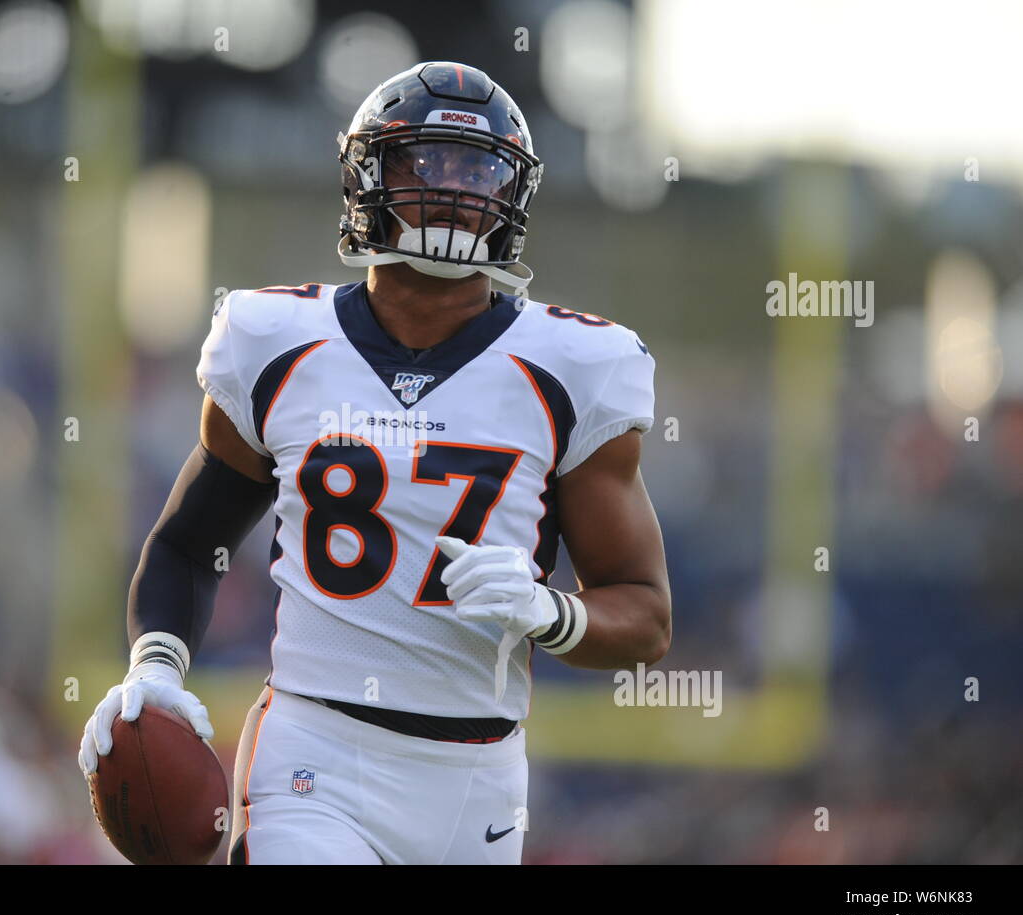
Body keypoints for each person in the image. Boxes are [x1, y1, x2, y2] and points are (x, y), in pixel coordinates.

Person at [79, 62, 671, 865]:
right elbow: (189, 542)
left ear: (513, 196)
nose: (453, 193)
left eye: (477, 172)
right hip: (316, 753)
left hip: (479, 779)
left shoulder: (573, 367)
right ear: (368, 177)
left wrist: (553, 613)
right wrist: (155, 662)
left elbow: (644, 614)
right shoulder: (277, 342)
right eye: (423, 163)